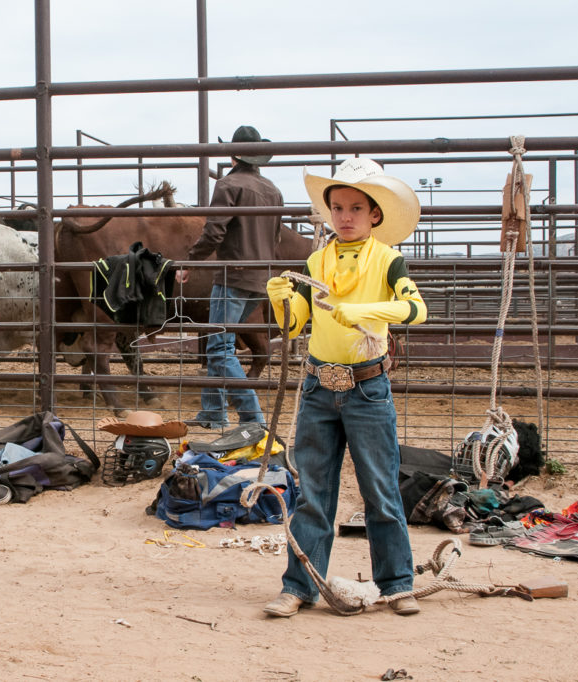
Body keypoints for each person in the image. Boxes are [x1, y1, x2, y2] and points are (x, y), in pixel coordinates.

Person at [263, 158, 427, 617]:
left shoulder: (389, 260)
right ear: (328, 212)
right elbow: (296, 325)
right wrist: (281, 299)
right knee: (313, 493)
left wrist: (367, 311)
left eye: (356, 207)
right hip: (319, 386)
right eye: (337, 207)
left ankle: (397, 584)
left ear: (375, 214)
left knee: (380, 490)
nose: (346, 216)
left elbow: (416, 308)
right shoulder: (316, 261)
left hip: (366, 387)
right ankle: (300, 586)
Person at [176, 125, 283, 430]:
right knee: (220, 343)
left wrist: (189, 262)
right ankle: (213, 412)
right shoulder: (273, 190)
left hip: (233, 277)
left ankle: (253, 418)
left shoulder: (228, 185)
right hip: (260, 280)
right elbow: (275, 237)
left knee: (219, 349)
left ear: (233, 153)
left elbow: (214, 232)